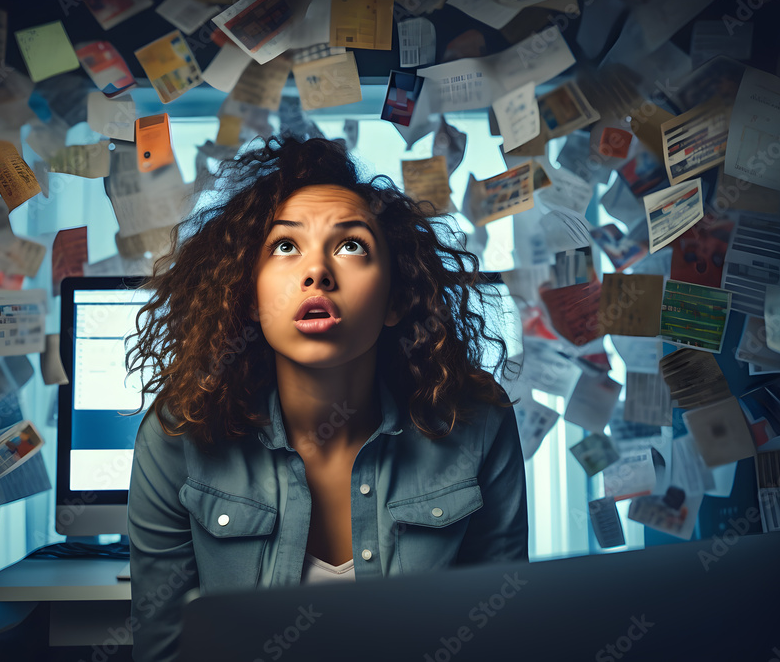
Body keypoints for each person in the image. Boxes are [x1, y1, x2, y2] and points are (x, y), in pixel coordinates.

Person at [124, 135, 528, 661]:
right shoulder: (179, 432)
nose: (317, 271)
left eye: (351, 245)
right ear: (247, 297)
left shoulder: (475, 420)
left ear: (397, 297)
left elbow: (497, 636)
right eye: (285, 246)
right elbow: (164, 648)